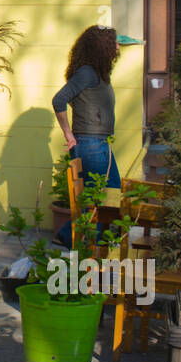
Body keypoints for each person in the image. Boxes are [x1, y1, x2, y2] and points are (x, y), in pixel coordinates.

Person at [51, 24, 121, 249]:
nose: (118, 47)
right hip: (91, 144)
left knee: (111, 195)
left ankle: (69, 235)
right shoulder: (87, 73)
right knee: (99, 199)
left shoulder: (97, 73)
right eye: (115, 43)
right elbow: (59, 100)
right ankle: (90, 248)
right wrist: (69, 133)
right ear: (103, 47)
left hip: (99, 144)